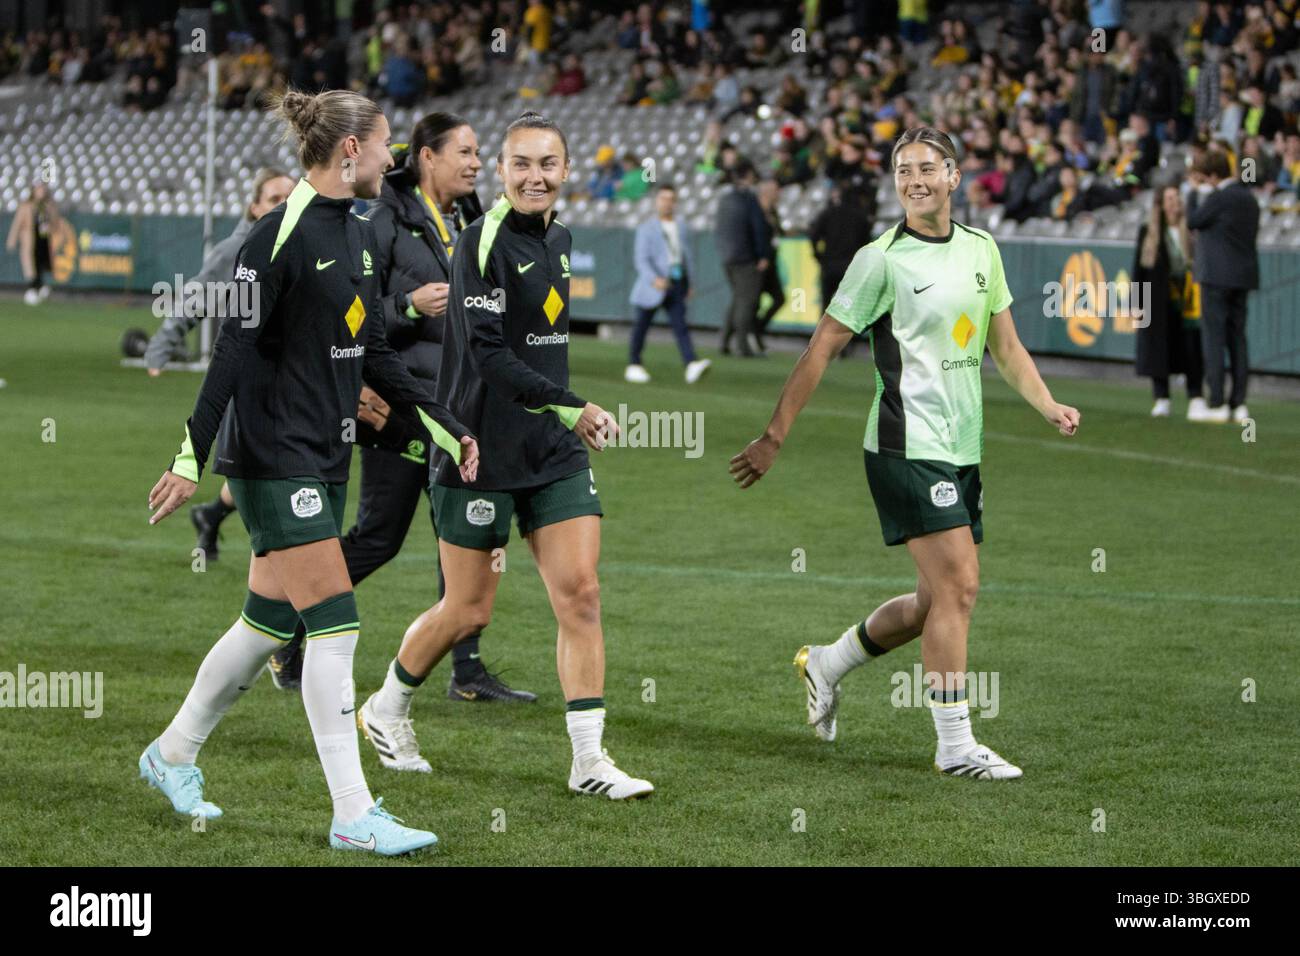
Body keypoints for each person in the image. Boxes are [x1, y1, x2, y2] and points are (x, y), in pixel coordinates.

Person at [140, 89, 478, 855]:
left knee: (266, 625)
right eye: (387, 143)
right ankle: (353, 812)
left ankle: (172, 753)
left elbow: (376, 356)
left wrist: (446, 427)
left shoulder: (360, 231)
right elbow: (231, 348)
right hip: (270, 456)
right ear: (350, 150)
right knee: (335, 622)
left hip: (324, 454)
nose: (394, 158)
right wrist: (193, 455)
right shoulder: (277, 233)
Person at [730, 127, 1080, 779]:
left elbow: (1006, 348)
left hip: (960, 446)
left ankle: (827, 663)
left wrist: (1048, 404)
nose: (914, 179)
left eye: (927, 168)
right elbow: (822, 348)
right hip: (902, 444)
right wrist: (774, 433)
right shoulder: (880, 259)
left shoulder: (982, 249)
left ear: (954, 176)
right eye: (903, 169)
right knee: (961, 585)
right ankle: (954, 745)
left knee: (932, 604)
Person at [357, 111, 653, 800]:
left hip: (550, 450)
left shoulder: (564, 239)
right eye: (521, 164)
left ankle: (587, 761)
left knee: (581, 595)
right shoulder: (480, 243)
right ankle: (387, 707)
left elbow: (538, 347)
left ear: (568, 170)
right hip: (476, 450)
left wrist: (561, 414)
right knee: (468, 610)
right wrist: (572, 406)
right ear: (501, 170)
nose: (535, 177)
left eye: (548, 164)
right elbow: (489, 355)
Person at [269, 113, 535, 705]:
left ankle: (465, 669)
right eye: (464, 152)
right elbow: (356, 316)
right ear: (426, 157)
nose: (474, 162)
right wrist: (409, 306)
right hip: (396, 407)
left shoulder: (471, 218)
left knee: (462, 534)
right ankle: (284, 631)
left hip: (457, 406)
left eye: (477, 153)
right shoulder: (382, 217)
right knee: (379, 536)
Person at [143, 168, 296, 563]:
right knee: (275, 470)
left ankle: (212, 517)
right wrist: (162, 346)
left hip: (287, 379)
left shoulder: (297, 243)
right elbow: (196, 297)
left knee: (270, 467)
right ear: (254, 206)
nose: (284, 205)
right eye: (274, 198)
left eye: (290, 197)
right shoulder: (238, 247)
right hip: (247, 380)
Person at [1186, 150, 1259, 423]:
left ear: (1213, 175)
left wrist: (1194, 192)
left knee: (1214, 339)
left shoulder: (1218, 198)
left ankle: (1216, 401)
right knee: (1238, 340)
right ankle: (1238, 403)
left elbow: (1193, 220)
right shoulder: (1249, 198)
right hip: (1243, 277)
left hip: (1216, 277)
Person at [625, 183, 711, 385]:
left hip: (676, 282)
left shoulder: (681, 226)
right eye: (663, 199)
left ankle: (691, 363)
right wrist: (654, 279)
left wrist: (689, 282)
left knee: (680, 325)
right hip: (652, 286)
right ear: (656, 201)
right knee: (641, 326)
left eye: (671, 199)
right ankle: (634, 364)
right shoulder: (646, 228)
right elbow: (641, 259)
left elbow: (686, 256)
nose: (667, 203)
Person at [1133, 184, 1203, 418]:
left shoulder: (1190, 230)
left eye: (1176, 198)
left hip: (1187, 298)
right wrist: (1137, 304)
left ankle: (1196, 396)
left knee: (1191, 347)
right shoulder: (1149, 232)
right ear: (1161, 204)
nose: (1174, 203)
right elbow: (1139, 271)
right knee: (1158, 349)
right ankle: (1161, 397)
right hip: (1158, 298)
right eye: (1169, 198)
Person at [714, 159, 768, 357]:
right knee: (747, 302)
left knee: (738, 299)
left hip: (727, 256)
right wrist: (762, 254)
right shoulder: (748, 198)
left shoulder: (725, 198)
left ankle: (724, 340)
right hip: (746, 258)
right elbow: (758, 228)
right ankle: (742, 345)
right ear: (748, 175)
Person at [6, 181, 66, 305]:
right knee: (31, 265)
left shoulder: (48, 206)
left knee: (41, 265)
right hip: (30, 240)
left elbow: (56, 223)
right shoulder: (26, 206)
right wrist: (12, 239)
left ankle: (38, 287)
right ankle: (32, 289)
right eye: (38, 190)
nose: (41, 192)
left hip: (43, 240)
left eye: (43, 190)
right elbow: (17, 224)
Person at [753, 177, 785, 350]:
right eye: (775, 190)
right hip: (758, 263)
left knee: (779, 298)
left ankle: (757, 329)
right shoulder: (756, 211)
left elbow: (777, 233)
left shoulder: (773, 212)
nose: (778, 194)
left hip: (771, 263)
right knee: (751, 302)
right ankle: (750, 336)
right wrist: (759, 256)